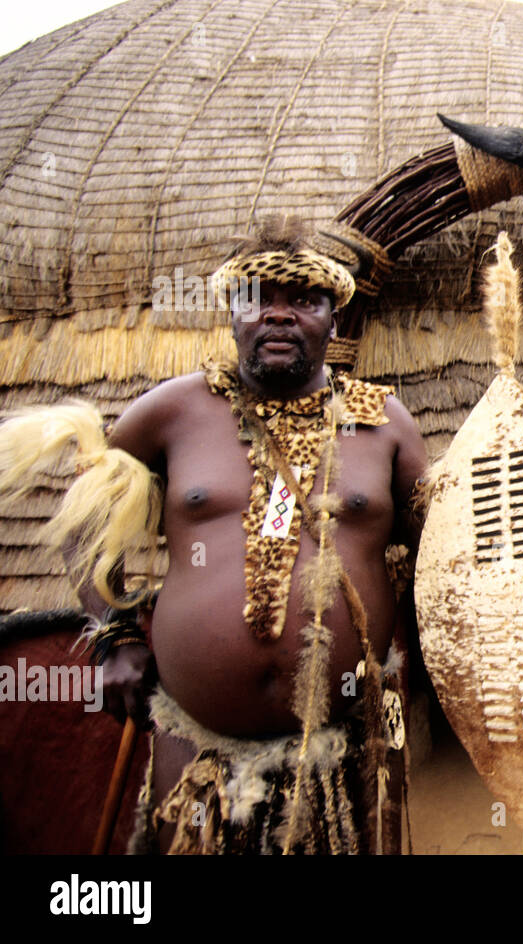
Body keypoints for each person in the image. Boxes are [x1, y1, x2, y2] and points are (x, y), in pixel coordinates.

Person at [3, 218, 429, 853]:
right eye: (257, 298)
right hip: (196, 743)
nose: (278, 316)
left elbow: (440, 547)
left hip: (346, 743)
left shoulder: (385, 422)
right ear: (233, 314)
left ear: (333, 321)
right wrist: (113, 637)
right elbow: (88, 519)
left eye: (303, 302)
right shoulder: (173, 411)